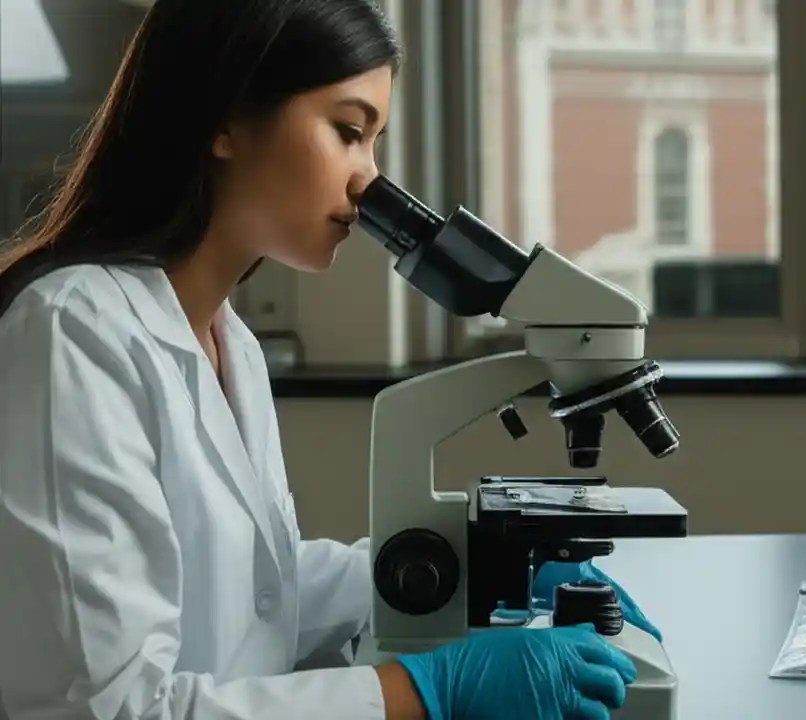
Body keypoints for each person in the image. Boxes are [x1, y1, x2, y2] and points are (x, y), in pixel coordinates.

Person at [0, 1, 660, 719]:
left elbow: (262, 597)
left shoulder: (230, 343)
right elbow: (112, 708)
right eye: (348, 132)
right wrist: (426, 693)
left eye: (374, 144)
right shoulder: (73, 334)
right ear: (224, 116)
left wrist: (479, 569)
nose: (367, 182)